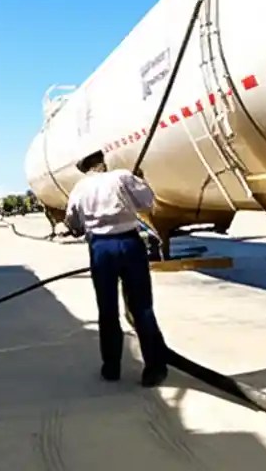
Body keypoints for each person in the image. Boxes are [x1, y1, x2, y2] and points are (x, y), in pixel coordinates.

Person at [64, 150, 169, 387]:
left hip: (101, 248)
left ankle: (111, 367)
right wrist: (140, 179)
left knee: (107, 309)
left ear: (86, 168)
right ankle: (154, 368)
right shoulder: (122, 177)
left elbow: (74, 224)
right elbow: (148, 203)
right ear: (102, 163)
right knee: (141, 307)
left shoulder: (80, 188)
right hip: (130, 244)